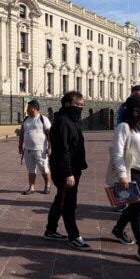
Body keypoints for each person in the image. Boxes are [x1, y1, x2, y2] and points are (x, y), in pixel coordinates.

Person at [108, 96, 140, 265]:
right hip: (133, 174)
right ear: (132, 110)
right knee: (137, 211)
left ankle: (118, 229)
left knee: (135, 208)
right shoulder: (124, 127)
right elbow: (117, 152)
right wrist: (123, 174)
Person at [46, 91, 89, 249]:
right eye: (77, 105)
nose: (80, 108)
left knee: (61, 199)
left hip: (74, 167)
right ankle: (74, 235)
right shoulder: (63, 121)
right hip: (65, 169)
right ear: (67, 104)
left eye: (82, 105)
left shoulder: (73, 121)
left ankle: (50, 229)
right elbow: (62, 150)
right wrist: (68, 173)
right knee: (69, 203)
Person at [18, 100, 52, 195]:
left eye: (28, 108)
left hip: (40, 150)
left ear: (34, 108)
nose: (27, 110)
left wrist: (50, 148)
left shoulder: (43, 119)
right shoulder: (26, 119)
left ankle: (47, 185)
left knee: (44, 169)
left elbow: (50, 134)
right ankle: (31, 187)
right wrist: (20, 146)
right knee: (31, 170)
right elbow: (22, 133)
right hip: (28, 150)